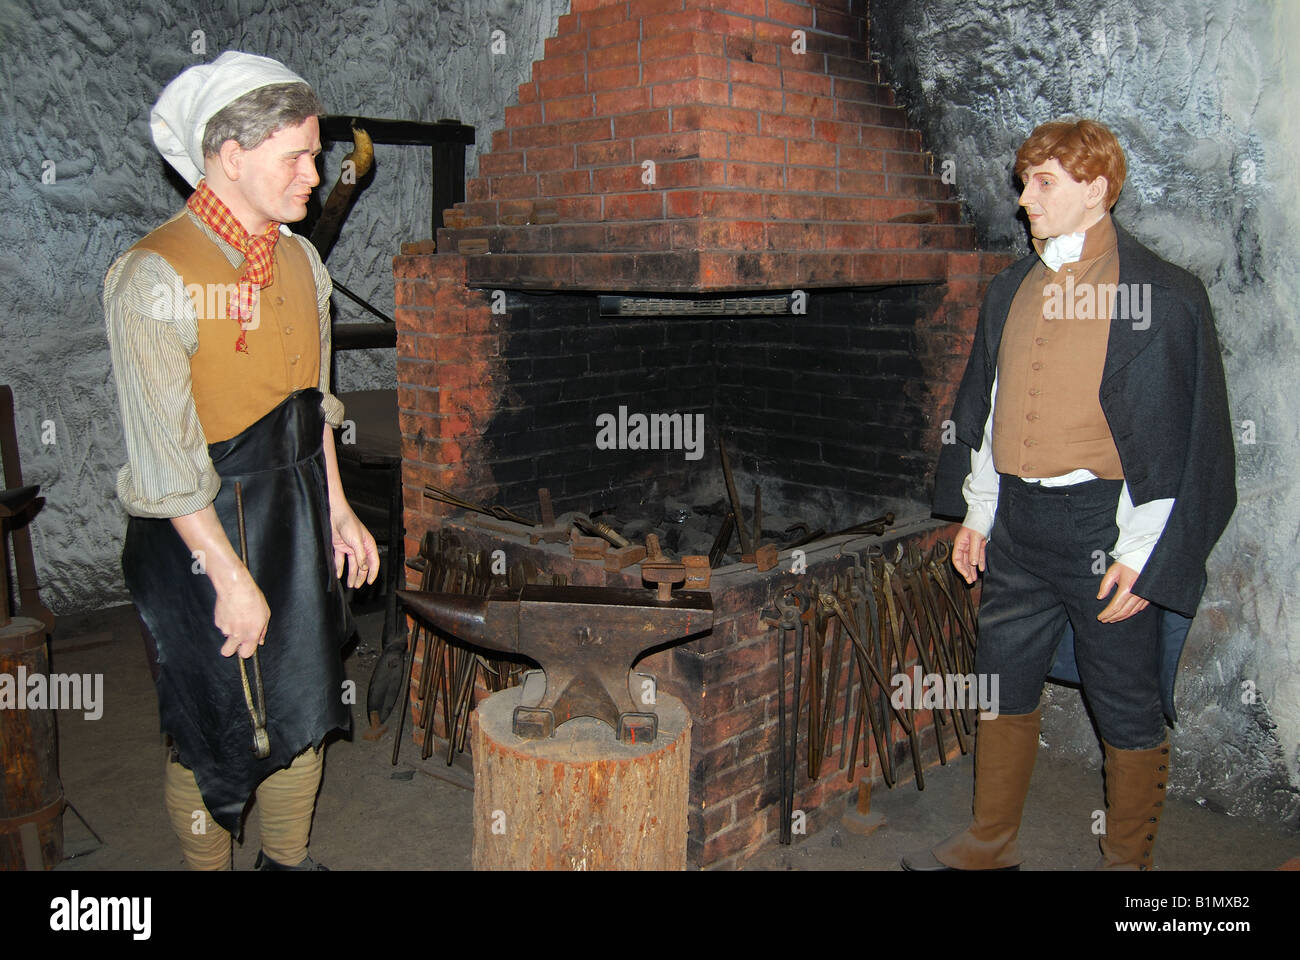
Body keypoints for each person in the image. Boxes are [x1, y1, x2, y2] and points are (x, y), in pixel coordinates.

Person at [903, 119, 1235, 871]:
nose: (1025, 200)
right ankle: (990, 842)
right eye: (1024, 183)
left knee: (1125, 701)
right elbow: (986, 408)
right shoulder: (1010, 289)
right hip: (1018, 525)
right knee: (1003, 678)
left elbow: (1183, 444)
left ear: (1096, 189)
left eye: (1043, 183)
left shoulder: (1164, 298)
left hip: (1105, 530)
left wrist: (1144, 556)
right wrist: (978, 513)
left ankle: (1127, 865)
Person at [103, 51, 379, 870]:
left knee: (300, 711)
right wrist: (229, 579)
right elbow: (164, 462)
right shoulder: (152, 277)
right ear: (230, 155)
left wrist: (337, 508)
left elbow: (313, 409)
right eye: (297, 153)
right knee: (217, 733)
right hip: (199, 531)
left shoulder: (302, 264)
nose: (316, 170)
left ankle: (287, 866)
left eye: (317, 149)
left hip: (291, 515)